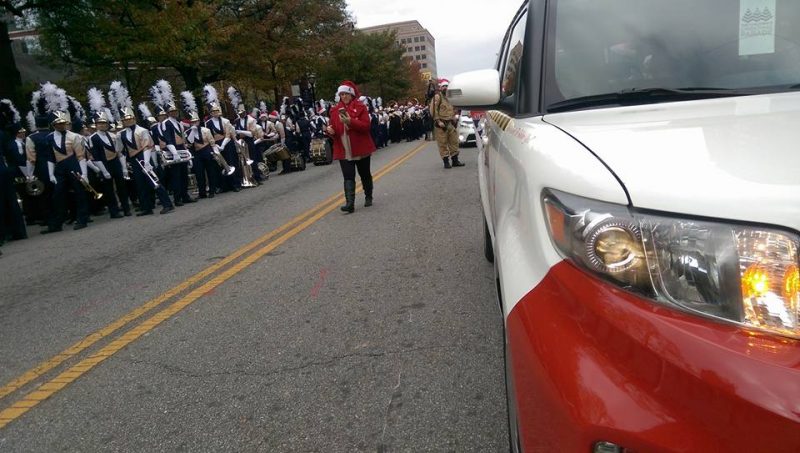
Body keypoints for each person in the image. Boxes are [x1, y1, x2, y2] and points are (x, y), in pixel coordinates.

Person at [325, 80, 375, 213]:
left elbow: (366, 126)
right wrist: (330, 131)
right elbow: (333, 127)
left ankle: (368, 196)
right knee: (348, 176)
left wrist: (350, 121)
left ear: (351, 94)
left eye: (346, 94)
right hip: (344, 147)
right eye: (341, 94)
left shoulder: (360, 107)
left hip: (360, 146)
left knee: (364, 173)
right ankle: (350, 203)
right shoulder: (335, 110)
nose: (344, 97)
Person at [430, 78, 464, 169]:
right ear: (440, 88)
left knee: (454, 142)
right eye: (443, 86)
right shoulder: (438, 97)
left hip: (451, 123)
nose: (445, 88)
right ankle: (446, 162)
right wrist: (438, 121)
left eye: (447, 86)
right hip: (442, 124)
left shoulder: (450, 97)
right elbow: (433, 110)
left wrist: (454, 116)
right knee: (443, 143)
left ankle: (455, 160)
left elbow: (455, 108)